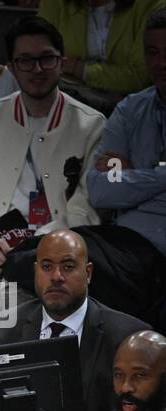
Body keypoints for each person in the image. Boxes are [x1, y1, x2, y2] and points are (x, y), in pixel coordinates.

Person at [0, 17, 105, 352]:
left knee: (10, 305)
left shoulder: (91, 126)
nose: (37, 68)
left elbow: (86, 208)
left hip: (50, 254)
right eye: (25, 60)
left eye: (46, 58)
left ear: (61, 62)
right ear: (11, 67)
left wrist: (37, 247)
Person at [0, 230, 149, 411]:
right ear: (36, 271)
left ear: (88, 273)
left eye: (68, 267)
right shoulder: (2, 331)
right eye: (47, 267)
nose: (56, 277)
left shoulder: (128, 337)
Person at [84, 10, 166, 322]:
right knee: (45, 256)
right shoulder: (130, 111)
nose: (161, 63)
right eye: (153, 53)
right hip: (131, 247)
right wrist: (161, 176)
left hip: (147, 253)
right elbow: (103, 189)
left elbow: (119, 181)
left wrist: (134, 177)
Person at [38, 0, 165, 114]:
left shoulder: (151, 5)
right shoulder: (55, 3)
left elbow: (141, 76)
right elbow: (40, 58)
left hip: (132, 109)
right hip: (66, 100)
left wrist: (78, 69)